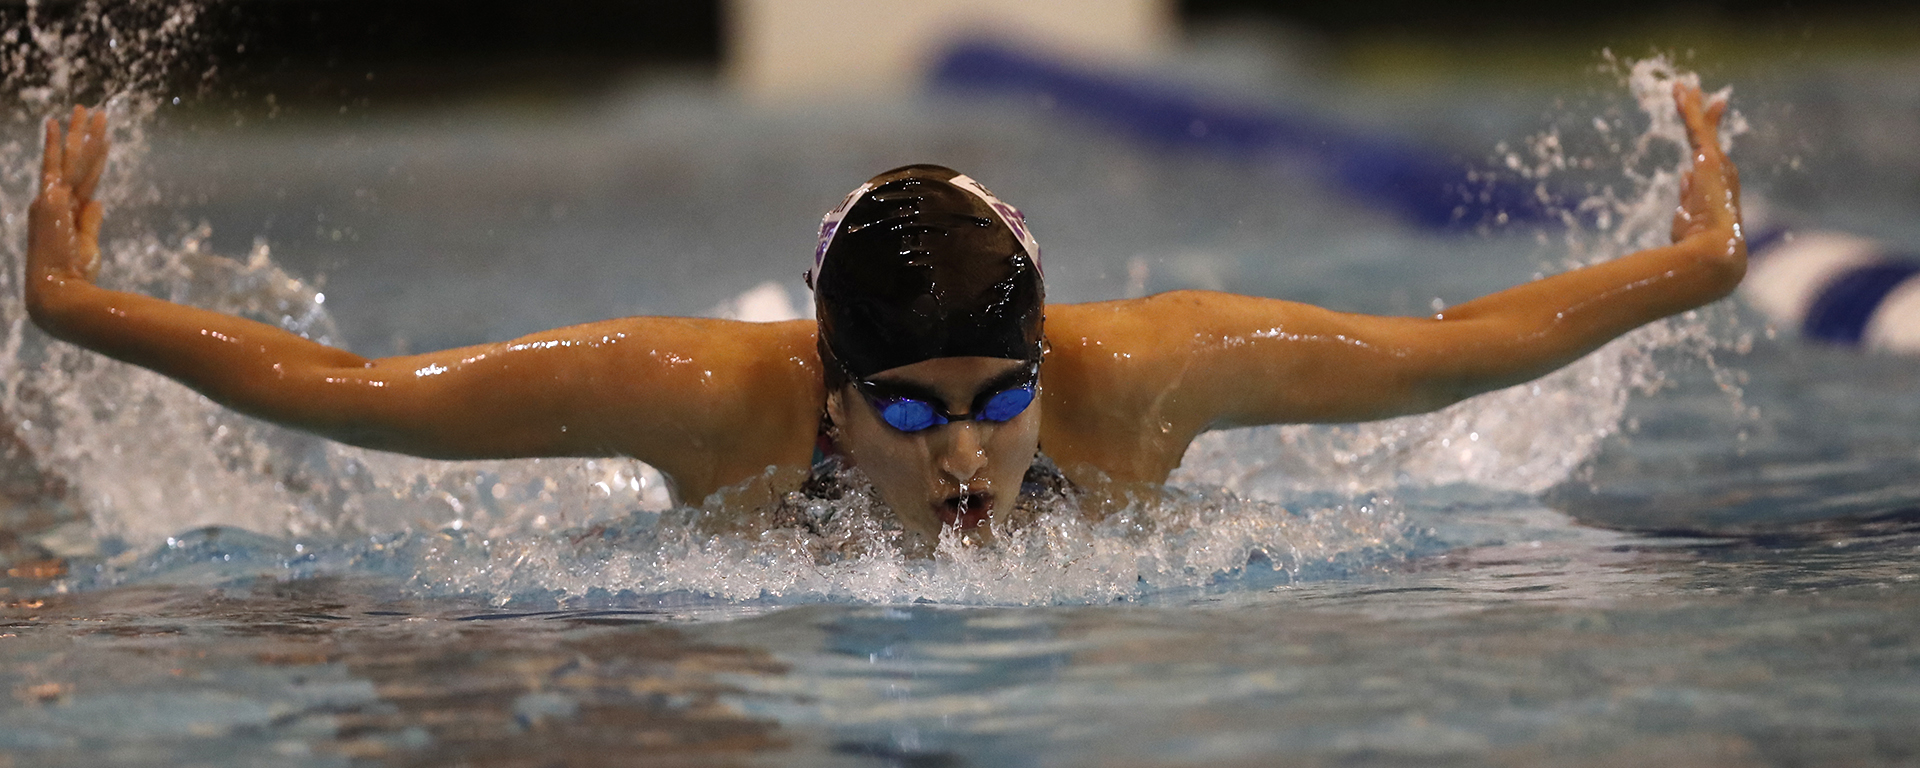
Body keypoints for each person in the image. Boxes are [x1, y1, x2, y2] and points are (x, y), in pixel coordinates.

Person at [25, 85, 1745, 552]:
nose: (969, 459)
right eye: (911, 417)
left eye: (996, 402)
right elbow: (358, 394)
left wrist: (1694, 262)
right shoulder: (705, 399)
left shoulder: (1139, 384)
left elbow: (1463, 348)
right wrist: (74, 304)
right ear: (831, 397)